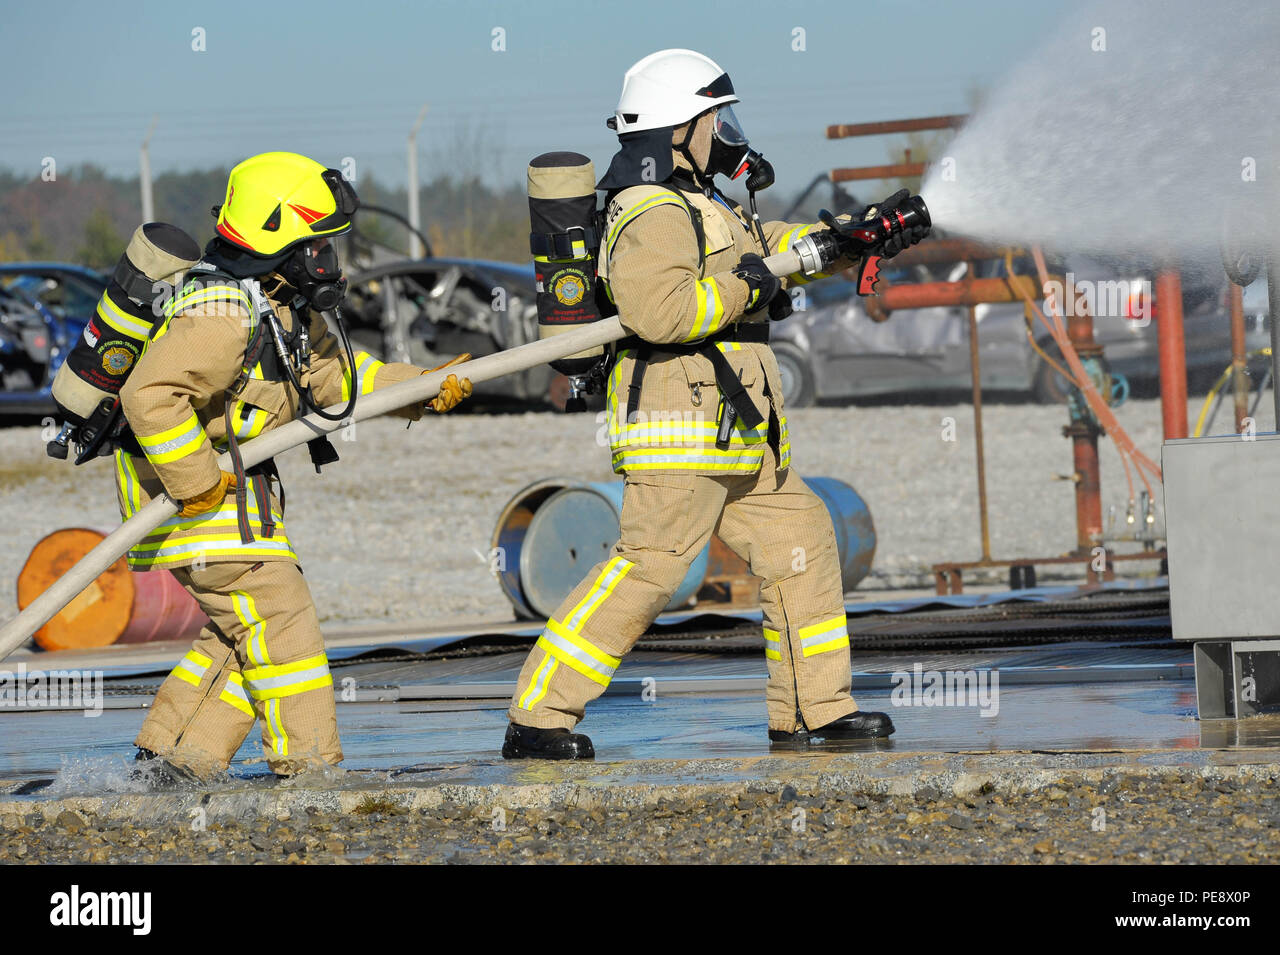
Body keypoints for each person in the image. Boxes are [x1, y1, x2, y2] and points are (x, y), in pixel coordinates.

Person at [503, 50, 928, 759]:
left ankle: (813, 711)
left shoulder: (706, 204)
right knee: (653, 568)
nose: (724, 131)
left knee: (804, 542)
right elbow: (662, 310)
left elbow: (775, 249)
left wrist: (860, 235)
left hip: (735, 428)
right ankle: (538, 717)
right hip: (678, 426)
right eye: (712, 117)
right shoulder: (651, 210)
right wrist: (747, 287)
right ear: (677, 128)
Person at [122, 151, 471, 780]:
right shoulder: (222, 313)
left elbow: (342, 380)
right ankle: (308, 772)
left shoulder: (277, 308)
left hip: (235, 499)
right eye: (322, 246)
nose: (332, 261)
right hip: (193, 502)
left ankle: (172, 764)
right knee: (283, 622)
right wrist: (197, 484)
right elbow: (149, 395)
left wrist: (423, 383)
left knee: (243, 636)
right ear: (285, 241)